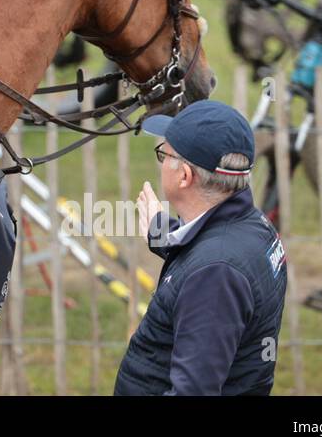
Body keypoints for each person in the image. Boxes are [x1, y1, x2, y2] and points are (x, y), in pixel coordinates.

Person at [114, 99, 288, 396]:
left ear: (184, 176)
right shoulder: (253, 227)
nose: (161, 164)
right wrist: (164, 236)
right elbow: (215, 249)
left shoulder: (216, 273)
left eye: (164, 154)